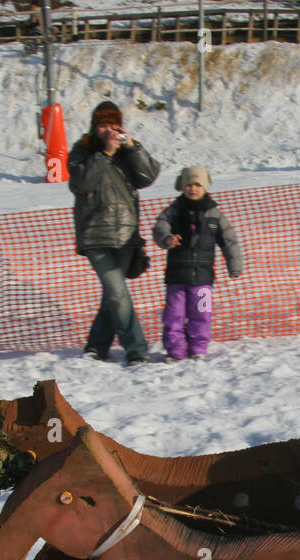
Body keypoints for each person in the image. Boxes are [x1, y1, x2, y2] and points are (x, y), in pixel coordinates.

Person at [69, 101, 160, 366]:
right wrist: (105, 153)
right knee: (118, 293)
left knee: (113, 295)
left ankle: (96, 347)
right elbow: (82, 183)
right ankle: (137, 350)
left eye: (112, 124)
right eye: (102, 124)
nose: (108, 129)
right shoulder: (82, 151)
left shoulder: (126, 150)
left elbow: (148, 176)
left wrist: (133, 147)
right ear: (94, 126)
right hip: (95, 236)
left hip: (126, 235)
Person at [151, 165, 243, 362]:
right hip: (177, 275)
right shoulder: (173, 211)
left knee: (201, 314)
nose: (193, 189)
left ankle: (198, 347)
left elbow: (229, 240)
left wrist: (234, 265)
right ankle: (175, 350)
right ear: (183, 187)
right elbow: (159, 227)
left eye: (198, 185)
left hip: (203, 277)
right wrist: (167, 238)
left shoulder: (214, 214)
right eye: (189, 185)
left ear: (205, 187)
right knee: (174, 315)